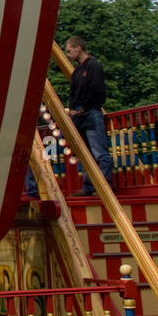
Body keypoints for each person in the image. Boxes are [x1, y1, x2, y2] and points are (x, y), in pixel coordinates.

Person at [65, 35, 112, 197]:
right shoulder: (77, 71)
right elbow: (73, 93)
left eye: (70, 51)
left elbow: (97, 91)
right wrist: (72, 109)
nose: (68, 54)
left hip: (91, 113)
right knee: (85, 153)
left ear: (78, 48)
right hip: (78, 115)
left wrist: (83, 107)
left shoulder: (94, 66)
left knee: (99, 152)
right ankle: (89, 186)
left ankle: (104, 187)